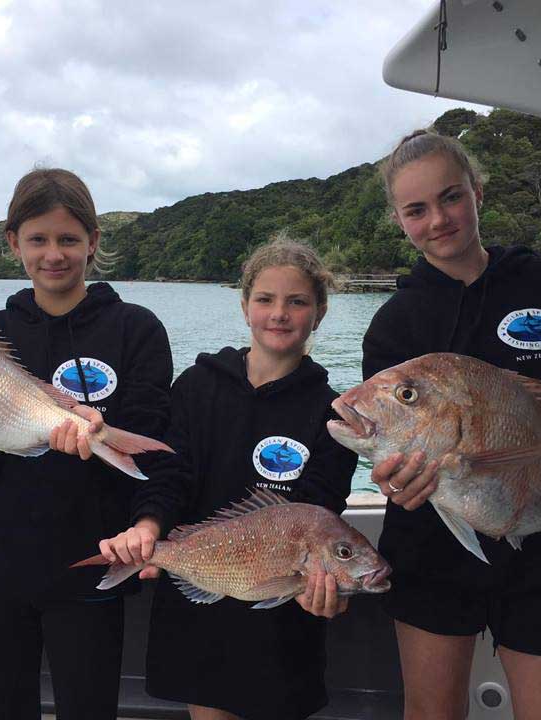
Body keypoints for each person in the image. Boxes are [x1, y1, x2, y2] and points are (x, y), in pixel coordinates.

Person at [362, 130, 541, 720]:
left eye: (451, 197)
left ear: (478, 193)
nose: (438, 220)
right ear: (398, 220)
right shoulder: (394, 325)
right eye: (416, 209)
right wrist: (394, 481)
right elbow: (383, 443)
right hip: (431, 553)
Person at [0, 168, 173, 720]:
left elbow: (153, 453)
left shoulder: (135, 329)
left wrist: (146, 520)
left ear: (93, 243)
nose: (55, 254)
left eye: (69, 239)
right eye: (38, 240)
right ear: (14, 244)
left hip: (88, 564)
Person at [61, 238, 358, 719]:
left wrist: (330, 588)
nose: (279, 313)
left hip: (281, 613)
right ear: (245, 307)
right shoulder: (196, 387)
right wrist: (148, 528)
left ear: (318, 313)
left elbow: (320, 512)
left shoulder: (332, 416)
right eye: (265, 299)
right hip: (201, 599)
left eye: (297, 301)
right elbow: (169, 475)